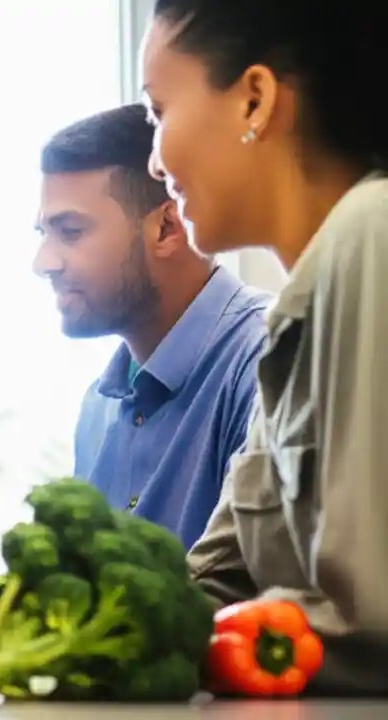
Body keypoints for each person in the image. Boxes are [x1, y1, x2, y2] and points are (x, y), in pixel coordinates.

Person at [143, 0, 388, 694]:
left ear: (254, 98)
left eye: (160, 113)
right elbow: (212, 582)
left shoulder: (371, 234)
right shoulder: (290, 317)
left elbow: (369, 622)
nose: (155, 162)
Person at [34, 104, 271, 549]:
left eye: (70, 231)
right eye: (43, 234)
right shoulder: (98, 406)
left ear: (166, 228)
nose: (43, 263)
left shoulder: (269, 364)